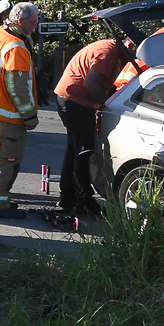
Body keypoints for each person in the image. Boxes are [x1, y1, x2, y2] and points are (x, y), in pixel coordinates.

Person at [54, 37, 131, 218]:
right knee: (84, 152)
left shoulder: (112, 50)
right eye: (134, 55)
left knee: (74, 150)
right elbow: (91, 84)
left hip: (70, 99)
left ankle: (68, 199)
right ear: (129, 45)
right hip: (75, 102)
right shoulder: (107, 53)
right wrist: (110, 107)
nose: (133, 60)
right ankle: (83, 203)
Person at [0, 1, 40, 219]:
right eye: (33, 22)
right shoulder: (16, 47)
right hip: (8, 115)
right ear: (20, 21)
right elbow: (17, 87)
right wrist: (29, 116)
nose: (35, 26)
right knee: (6, 159)